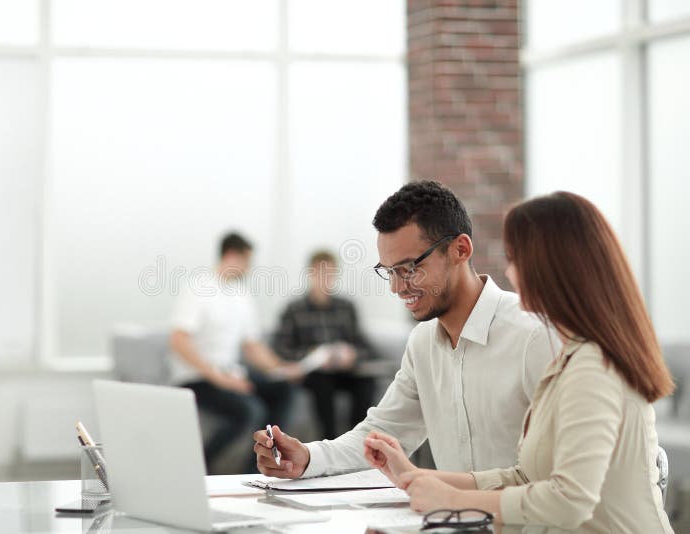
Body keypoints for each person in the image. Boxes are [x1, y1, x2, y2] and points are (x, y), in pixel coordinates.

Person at [363, 192, 674, 532]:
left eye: (515, 259)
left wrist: (452, 500)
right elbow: (525, 477)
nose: (510, 272)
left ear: (555, 268)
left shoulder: (592, 365)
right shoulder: (569, 359)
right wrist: (417, 477)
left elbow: (569, 500)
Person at [253, 180, 558, 478]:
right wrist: (306, 457)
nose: (397, 287)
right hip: (449, 520)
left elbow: (566, 478)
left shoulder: (533, 336)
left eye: (410, 268)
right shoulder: (423, 343)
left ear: (460, 250)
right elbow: (382, 433)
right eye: (389, 272)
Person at [170, 232, 301, 473]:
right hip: (199, 379)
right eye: (247, 262)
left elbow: (252, 346)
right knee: (251, 409)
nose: (249, 269)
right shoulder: (198, 289)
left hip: (231, 374)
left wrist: (280, 368)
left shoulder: (241, 296)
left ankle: (255, 470)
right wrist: (221, 380)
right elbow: (178, 341)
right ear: (231, 256)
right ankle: (198, 465)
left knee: (283, 391)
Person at [273, 250, 378, 440]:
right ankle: (329, 439)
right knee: (322, 382)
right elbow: (282, 348)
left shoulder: (346, 307)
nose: (325, 279)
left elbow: (364, 346)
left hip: (344, 371)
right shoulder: (294, 309)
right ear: (311, 274)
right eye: (321, 274)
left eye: (330, 274)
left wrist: (352, 354)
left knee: (366, 382)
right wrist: (312, 355)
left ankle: (357, 439)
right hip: (315, 375)